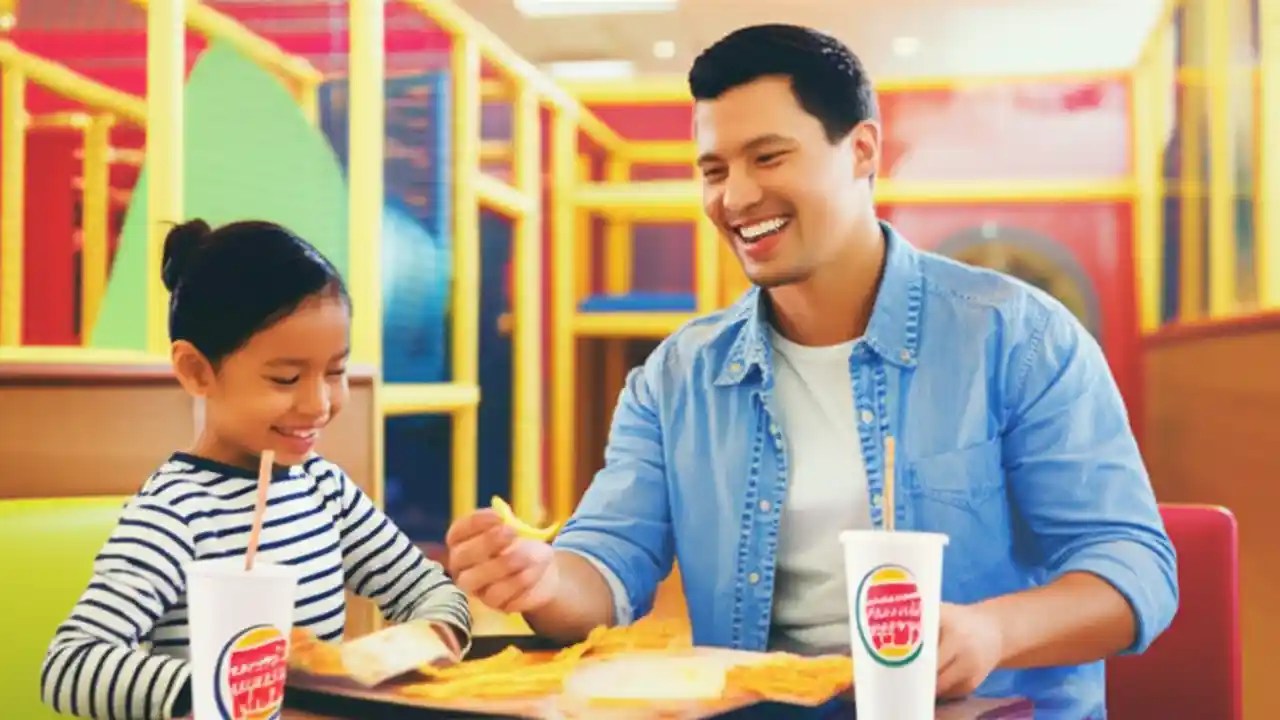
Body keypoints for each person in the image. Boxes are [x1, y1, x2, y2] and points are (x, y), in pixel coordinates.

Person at [445, 23, 1178, 717]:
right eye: (713, 169)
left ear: (861, 151)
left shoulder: (1017, 337)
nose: (734, 197)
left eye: (768, 158)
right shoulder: (677, 379)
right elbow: (606, 567)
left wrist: (992, 632)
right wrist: (541, 579)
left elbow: (1133, 568)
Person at [41, 219, 471, 719]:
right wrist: (239, 688)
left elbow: (431, 591)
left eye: (335, 371)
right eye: (285, 377)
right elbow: (70, 666)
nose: (318, 403)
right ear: (197, 371)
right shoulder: (175, 513)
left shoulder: (325, 490)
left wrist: (420, 643)